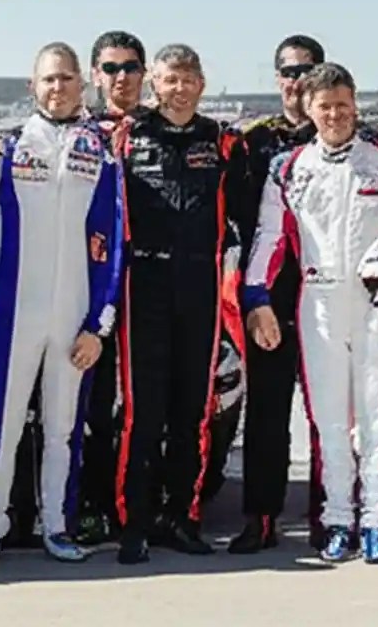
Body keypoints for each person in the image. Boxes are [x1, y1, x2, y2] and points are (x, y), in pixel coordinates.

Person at [244, 62, 378, 563]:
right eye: (324, 106)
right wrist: (256, 299)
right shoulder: (288, 168)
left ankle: (377, 519)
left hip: (376, 304)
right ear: (308, 109)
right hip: (318, 301)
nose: (334, 114)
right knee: (328, 418)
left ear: (355, 104)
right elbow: (268, 239)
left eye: (342, 105)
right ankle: (338, 518)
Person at [0, 42, 125, 570]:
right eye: (49, 79)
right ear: (33, 86)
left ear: (82, 84)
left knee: (64, 427)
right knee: (0, 425)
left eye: (67, 79)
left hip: (73, 313)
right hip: (13, 312)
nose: (58, 88)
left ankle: (59, 525)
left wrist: (100, 321)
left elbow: (114, 242)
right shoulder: (3, 147)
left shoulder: (102, 151)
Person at [114, 44, 249, 564]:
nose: (179, 88)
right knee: (141, 412)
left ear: (202, 83)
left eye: (188, 78)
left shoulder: (222, 141)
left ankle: (184, 516)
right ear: (154, 82)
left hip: (200, 281)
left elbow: (247, 216)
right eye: (170, 79)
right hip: (142, 278)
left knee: (194, 409)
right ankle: (135, 521)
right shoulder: (127, 136)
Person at [229, 34, 326, 553]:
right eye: (289, 72)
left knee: (331, 412)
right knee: (266, 410)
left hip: (329, 296)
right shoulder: (252, 144)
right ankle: (260, 516)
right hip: (269, 296)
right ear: (277, 80)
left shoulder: (342, 135)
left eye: (308, 70)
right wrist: (249, 298)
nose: (298, 81)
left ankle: (327, 514)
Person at [80, 30, 149, 544]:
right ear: (94, 75)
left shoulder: (164, 128)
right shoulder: (78, 132)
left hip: (150, 278)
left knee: (147, 401)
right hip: (90, 279)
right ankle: (94, 501)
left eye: (129, 67)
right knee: (92, 400)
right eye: (110, 68)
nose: (120, 77)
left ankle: (144, 502)